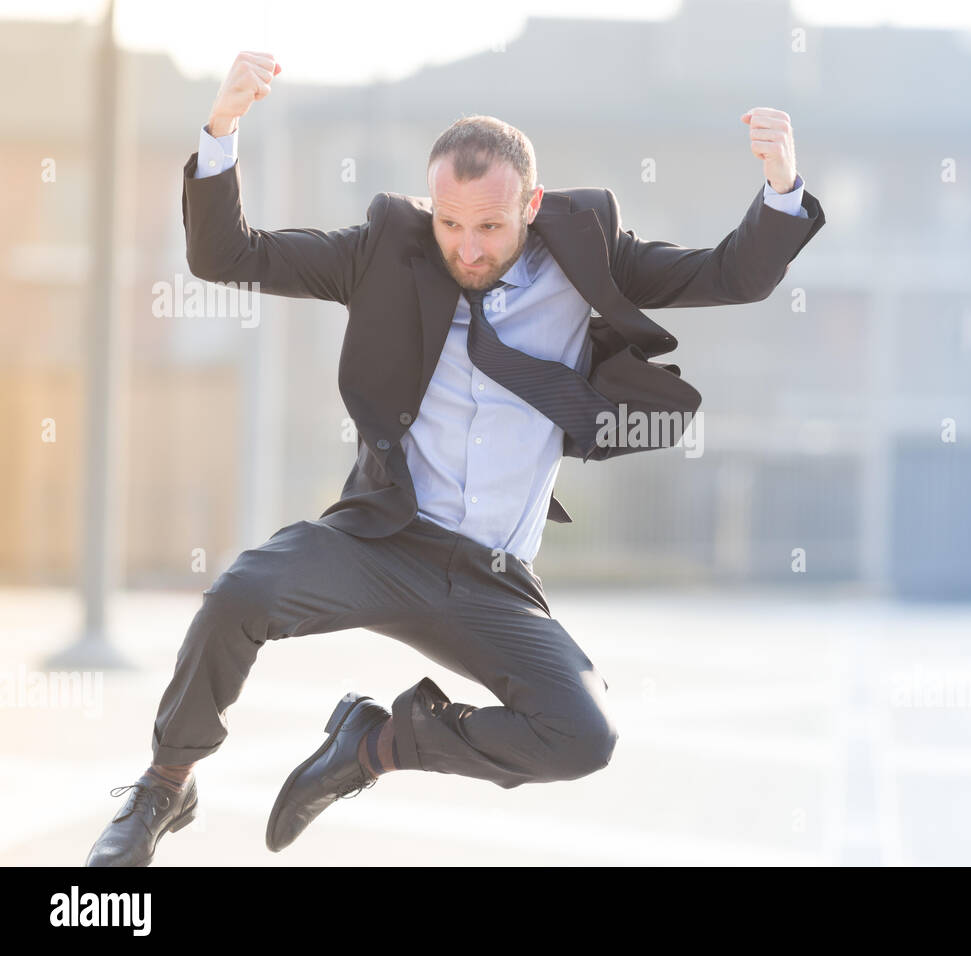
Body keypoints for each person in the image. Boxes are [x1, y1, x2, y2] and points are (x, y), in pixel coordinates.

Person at [84, 50, 826, 866]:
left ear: (531, 206)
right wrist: (221, 129)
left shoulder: (590, 256)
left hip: (491, 580)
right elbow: (231, 255)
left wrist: (781, 187)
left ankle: (375, 745)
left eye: (489, 227)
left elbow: (731, 273)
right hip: (382, 543)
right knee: (239, 594)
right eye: (449, 223)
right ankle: (165, 785)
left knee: (583, 735)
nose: (466, 248)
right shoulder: (383, 251)